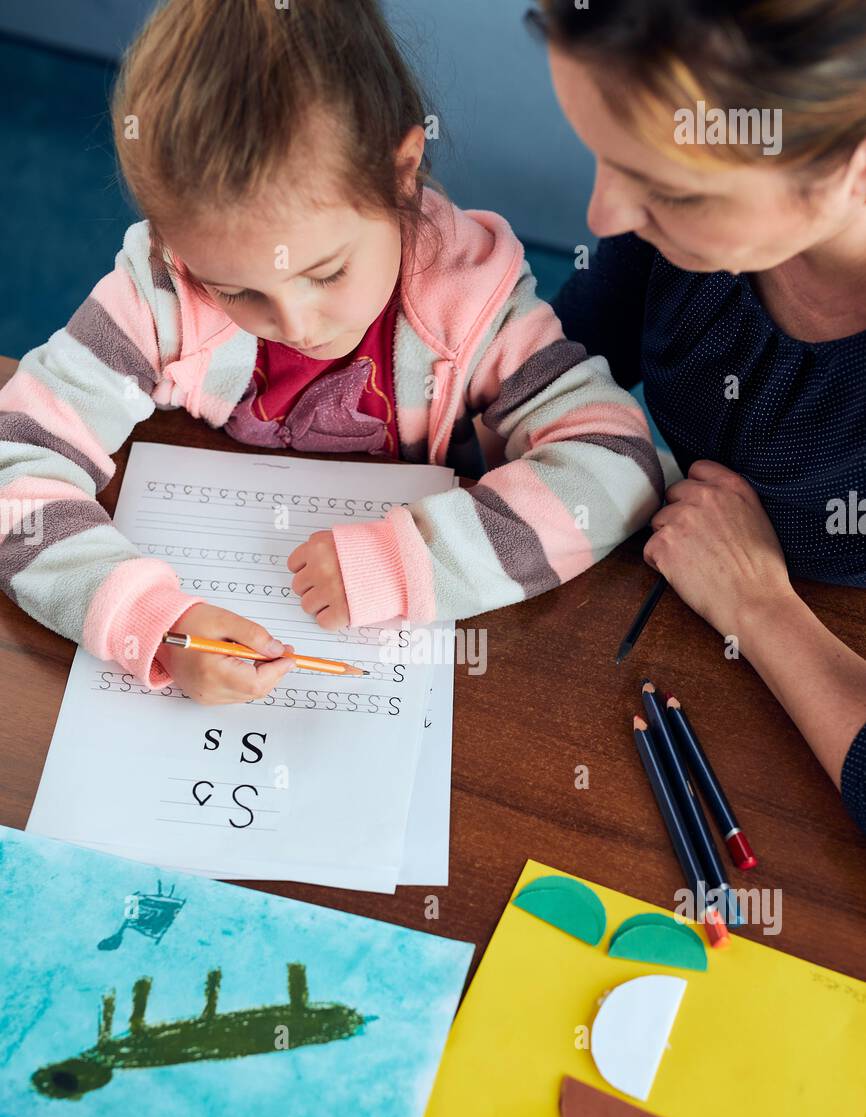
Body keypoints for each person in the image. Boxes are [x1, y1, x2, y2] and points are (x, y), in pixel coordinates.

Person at [0, 0, 666, 708]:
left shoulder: (475, 305)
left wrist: (409, 565)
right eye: (236, 291)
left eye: (326, 274)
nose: (295, 325)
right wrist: (159, 627)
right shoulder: (165, 287)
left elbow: (617, 463)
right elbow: (15, 478)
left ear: (402, 170)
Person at [531, 0, 866, 833]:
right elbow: (558, 367)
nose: (603, 215)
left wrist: (759, 604)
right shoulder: (681, 229)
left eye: (669, 188)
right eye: (605, 158)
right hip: (664, 629)